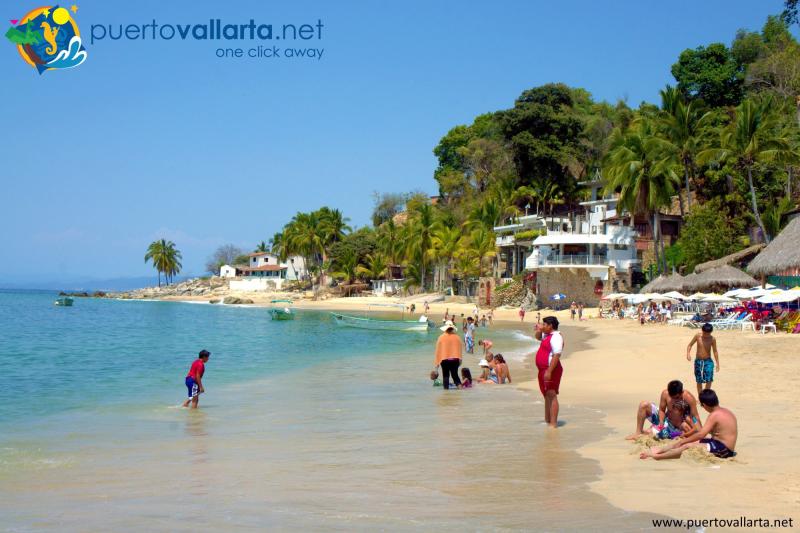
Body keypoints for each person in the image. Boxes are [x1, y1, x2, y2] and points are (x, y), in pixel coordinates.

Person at [640, 389, 737, 460]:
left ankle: (658, 456)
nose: (702, 408)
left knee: (687, 445)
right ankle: (660, 449)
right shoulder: (727, 412)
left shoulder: (714, 415)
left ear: (705, 405)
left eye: (702, 405)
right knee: (688, 442)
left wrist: (683, 441)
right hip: (718, 443)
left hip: (724, 450)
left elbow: (701, 434)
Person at [626, 380, 702, 440]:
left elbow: (695, 416)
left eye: (677, 397)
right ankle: (638, 432)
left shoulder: (689, 398)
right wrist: (661, 422)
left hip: (680, 425)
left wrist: (701, 431)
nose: (675, 399)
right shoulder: (665, 394)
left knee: (651, 434)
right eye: (672, 397)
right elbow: (662, 410)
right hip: (666, 420)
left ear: (681, 392)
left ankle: (652, 431)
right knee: (643, 405)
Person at [534, 316, 564, 428]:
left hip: (551, 369)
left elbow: (557, 355)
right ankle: (547, 420)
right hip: (543, 369)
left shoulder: (556, 337)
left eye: (544, 325)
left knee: (552, 394)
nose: (543, 326)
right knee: (546, 395)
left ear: (550, 326)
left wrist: (549, 371)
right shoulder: (547, 335)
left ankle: (553, 423)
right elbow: (537, 337)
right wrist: (539, 330)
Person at [686, 323, 720, 397]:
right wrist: (688, 354)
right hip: (698, 361)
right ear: (702, 331)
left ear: (711, 332)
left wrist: (718, 364)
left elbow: (715, 351)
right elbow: (690, 345)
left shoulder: (712, 339)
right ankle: (700, 397)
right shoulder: (698, 336)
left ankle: (706, 396)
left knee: (709, 379)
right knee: (699, 380)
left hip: (708, 361)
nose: (706, 335)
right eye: (705, 333)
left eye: (708, 334)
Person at [434, 320, 462, 390]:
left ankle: (446, 394)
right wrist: (460, 361)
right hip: (455, 360)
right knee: (455, 376)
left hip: (445, 360)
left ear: (445, 328)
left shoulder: (441, 337)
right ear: (452, 328)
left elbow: (438, 352)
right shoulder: (457, 337)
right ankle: (461, 390)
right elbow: (459, 350)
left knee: (446, 376)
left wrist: (436, 366)